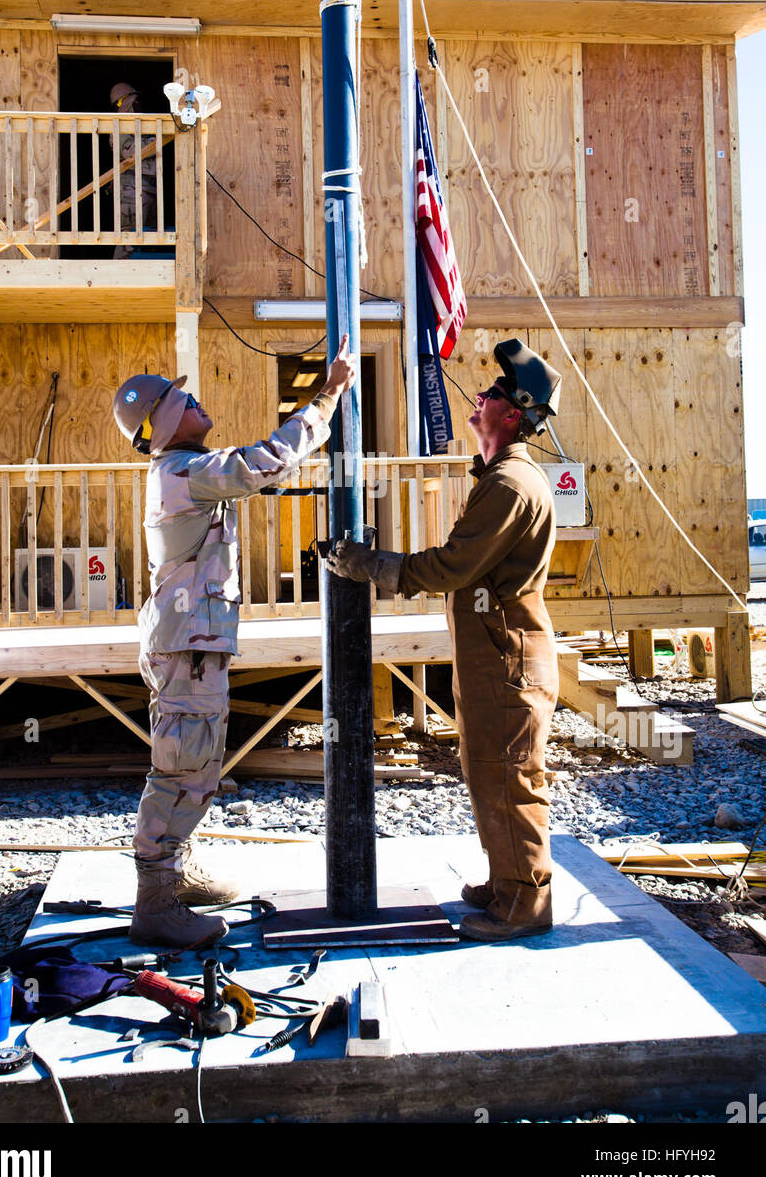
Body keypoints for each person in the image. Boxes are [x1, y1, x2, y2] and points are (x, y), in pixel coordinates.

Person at [113, 335, 356, 949]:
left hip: (190, 641)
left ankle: (176, 869)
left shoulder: (183, 471)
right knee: (183, 764)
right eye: (181, 399)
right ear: (165, 422)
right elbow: (264, 461)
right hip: (188, 647)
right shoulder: (183, 473)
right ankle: (157, 900)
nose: (194, 400)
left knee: (194, 757)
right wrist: (326, 398)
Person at [327, 339, 562, 943]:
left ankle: (524, 901)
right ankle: (508, 877)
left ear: (513, 413)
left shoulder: (511, 484)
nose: (478, 397)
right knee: (487, 767)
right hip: (492, 654)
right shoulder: (499, 478)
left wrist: (372, 566)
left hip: (506, 657)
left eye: (491, 393)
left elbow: (454, 566)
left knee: (508, 772)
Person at [109, 82, 158, 259]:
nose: (139, 105)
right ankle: (117, 279)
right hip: (131, 192)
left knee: (148, 239)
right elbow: (132, 152)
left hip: (148, 190)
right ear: (126, 102)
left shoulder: (140, 127)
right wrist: (156, 141)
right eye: (136, 101)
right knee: (128, 239)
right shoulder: (120, 127)